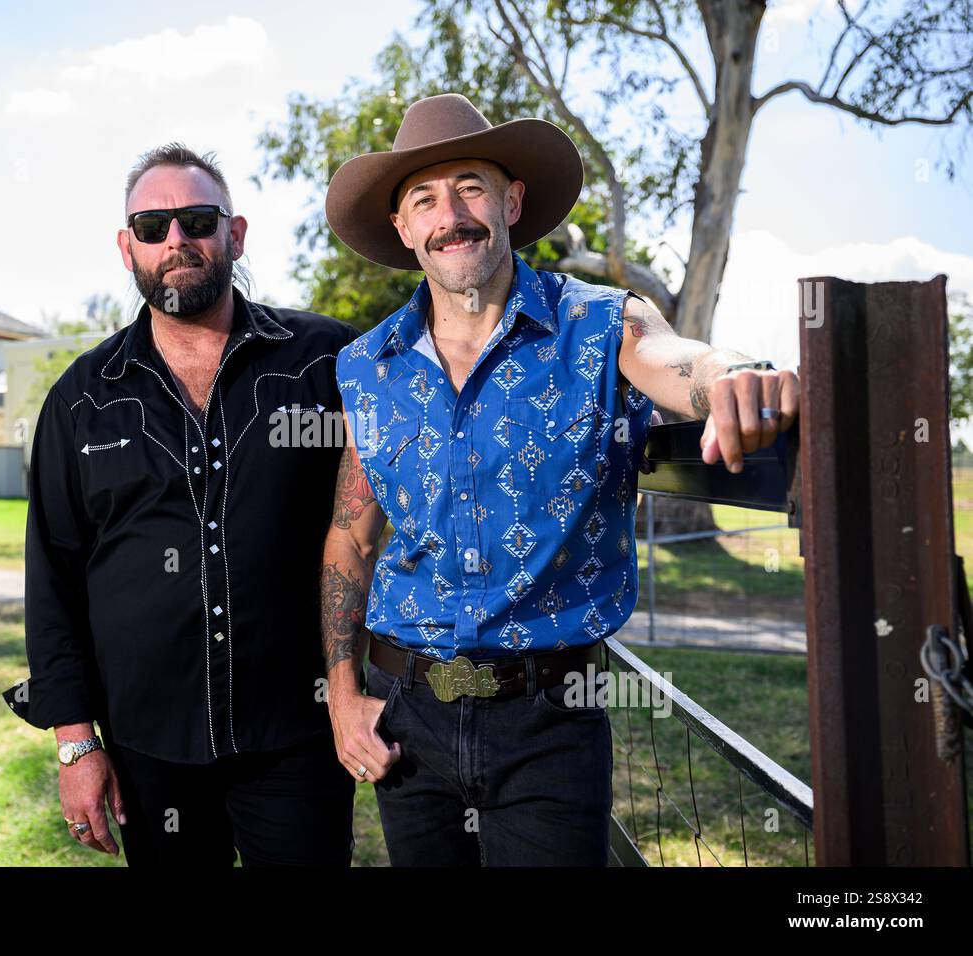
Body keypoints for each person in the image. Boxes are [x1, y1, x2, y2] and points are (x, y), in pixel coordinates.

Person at [319, 93, 799, 865]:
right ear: (405, 229)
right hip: (409, 719)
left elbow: (682, 363)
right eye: (425, 199)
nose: (452, 215)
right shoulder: (366, 367)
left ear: (511, 200)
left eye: (471, 187)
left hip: (551, 720)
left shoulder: (604, 324)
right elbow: (351, 536)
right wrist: (343, 695)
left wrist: (737, 377)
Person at [4, 143, 359, 866]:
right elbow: (55, 579)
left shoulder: (327, 362)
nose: (176, 241)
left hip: (297, 733)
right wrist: (75, 745)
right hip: (146, 746)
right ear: (125, 246)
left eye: (197, 219)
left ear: (236, 234)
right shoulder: (81, 398)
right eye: (152, 225)